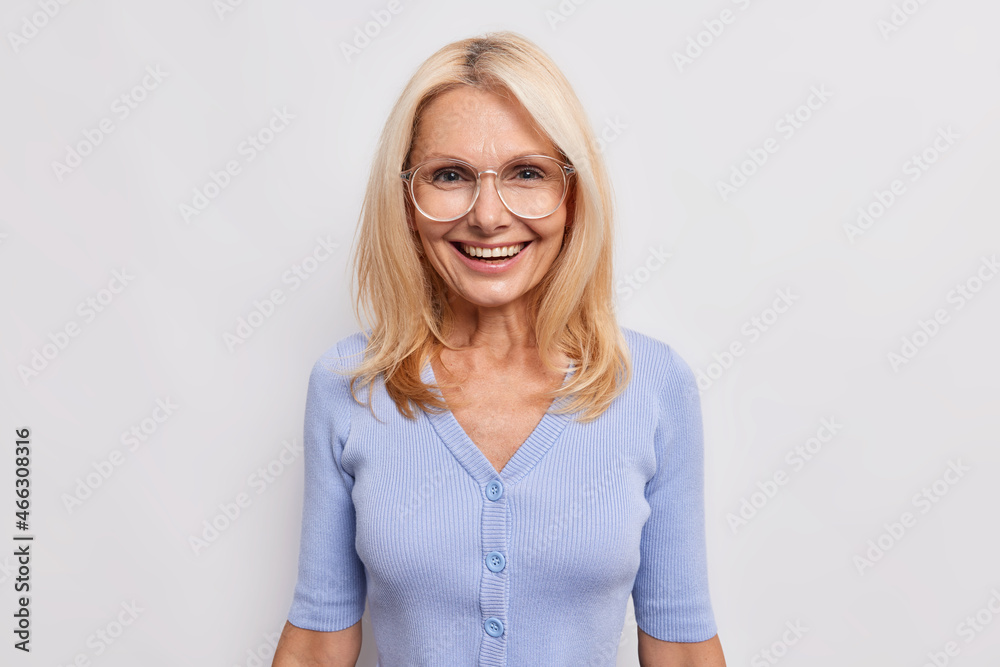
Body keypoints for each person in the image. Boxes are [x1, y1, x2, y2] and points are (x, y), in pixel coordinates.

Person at [273, 31, 726, 667]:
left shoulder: (653, 385)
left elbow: (680, 649)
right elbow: (318, 646)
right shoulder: (349, 385)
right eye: (449, 175)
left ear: (572, 195)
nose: (488, 216)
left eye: (527, 173)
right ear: (406, 200)